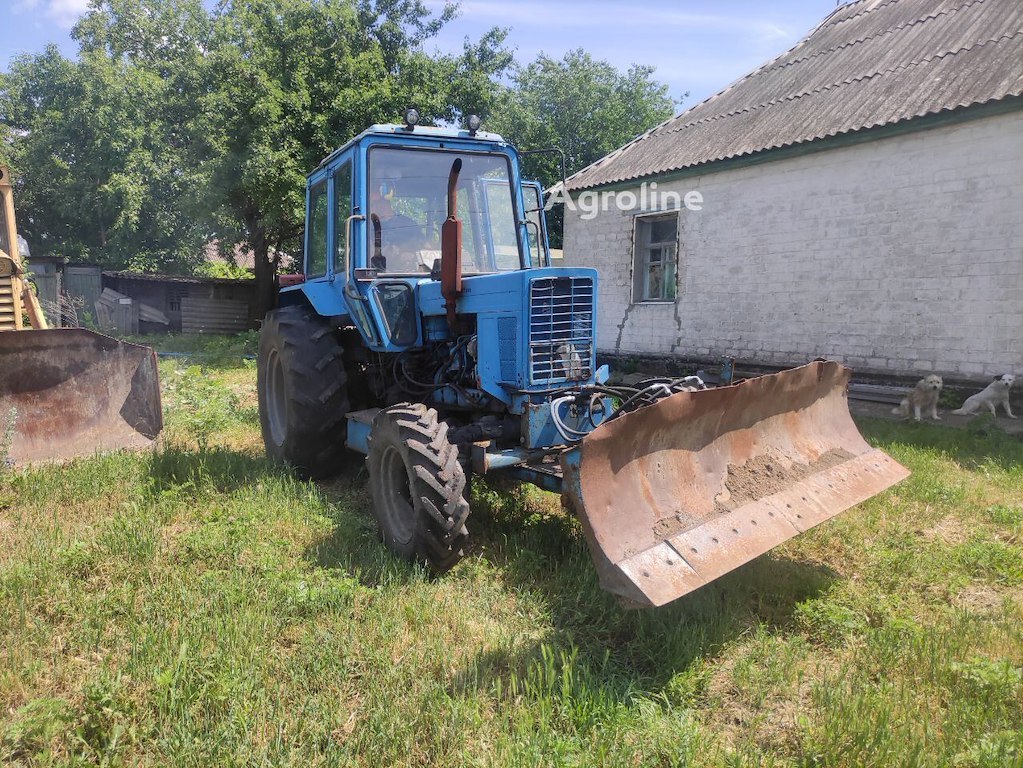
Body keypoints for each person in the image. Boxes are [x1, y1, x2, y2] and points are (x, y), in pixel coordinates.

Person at [369, 187, 425, 270]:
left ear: (384, 203)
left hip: (406, 274)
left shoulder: (408, 224)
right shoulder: (368, 228)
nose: (370, 208)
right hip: (377, 276)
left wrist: (409, 254)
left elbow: (423, 247)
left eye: (372, 204)